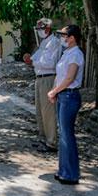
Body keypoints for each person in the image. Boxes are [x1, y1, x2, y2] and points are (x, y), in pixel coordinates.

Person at [47, 25, 84, 185]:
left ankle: (71, 173)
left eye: (64, 35)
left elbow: (69, 78)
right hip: (63, 95)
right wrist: (56, 91)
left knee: (67, 135)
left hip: (69, 95)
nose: (62, 38)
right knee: (63, 134)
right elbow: (60, 76)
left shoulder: (76, 54)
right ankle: (64, 170)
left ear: (72, 37)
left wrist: (54, 91)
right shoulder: (67, 53)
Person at [23, 18, 62, 153]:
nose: (39, 31)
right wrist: (30, 60)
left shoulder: (54, 43)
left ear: (47, 28)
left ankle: (51, 141)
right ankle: (43, 137)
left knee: (48, 111)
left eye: (41, 28)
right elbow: (36, 58)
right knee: (40, 110)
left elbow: (49, 63)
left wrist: (33, 62)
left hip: (48, 78)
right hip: (39, 78)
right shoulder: (44, 43)